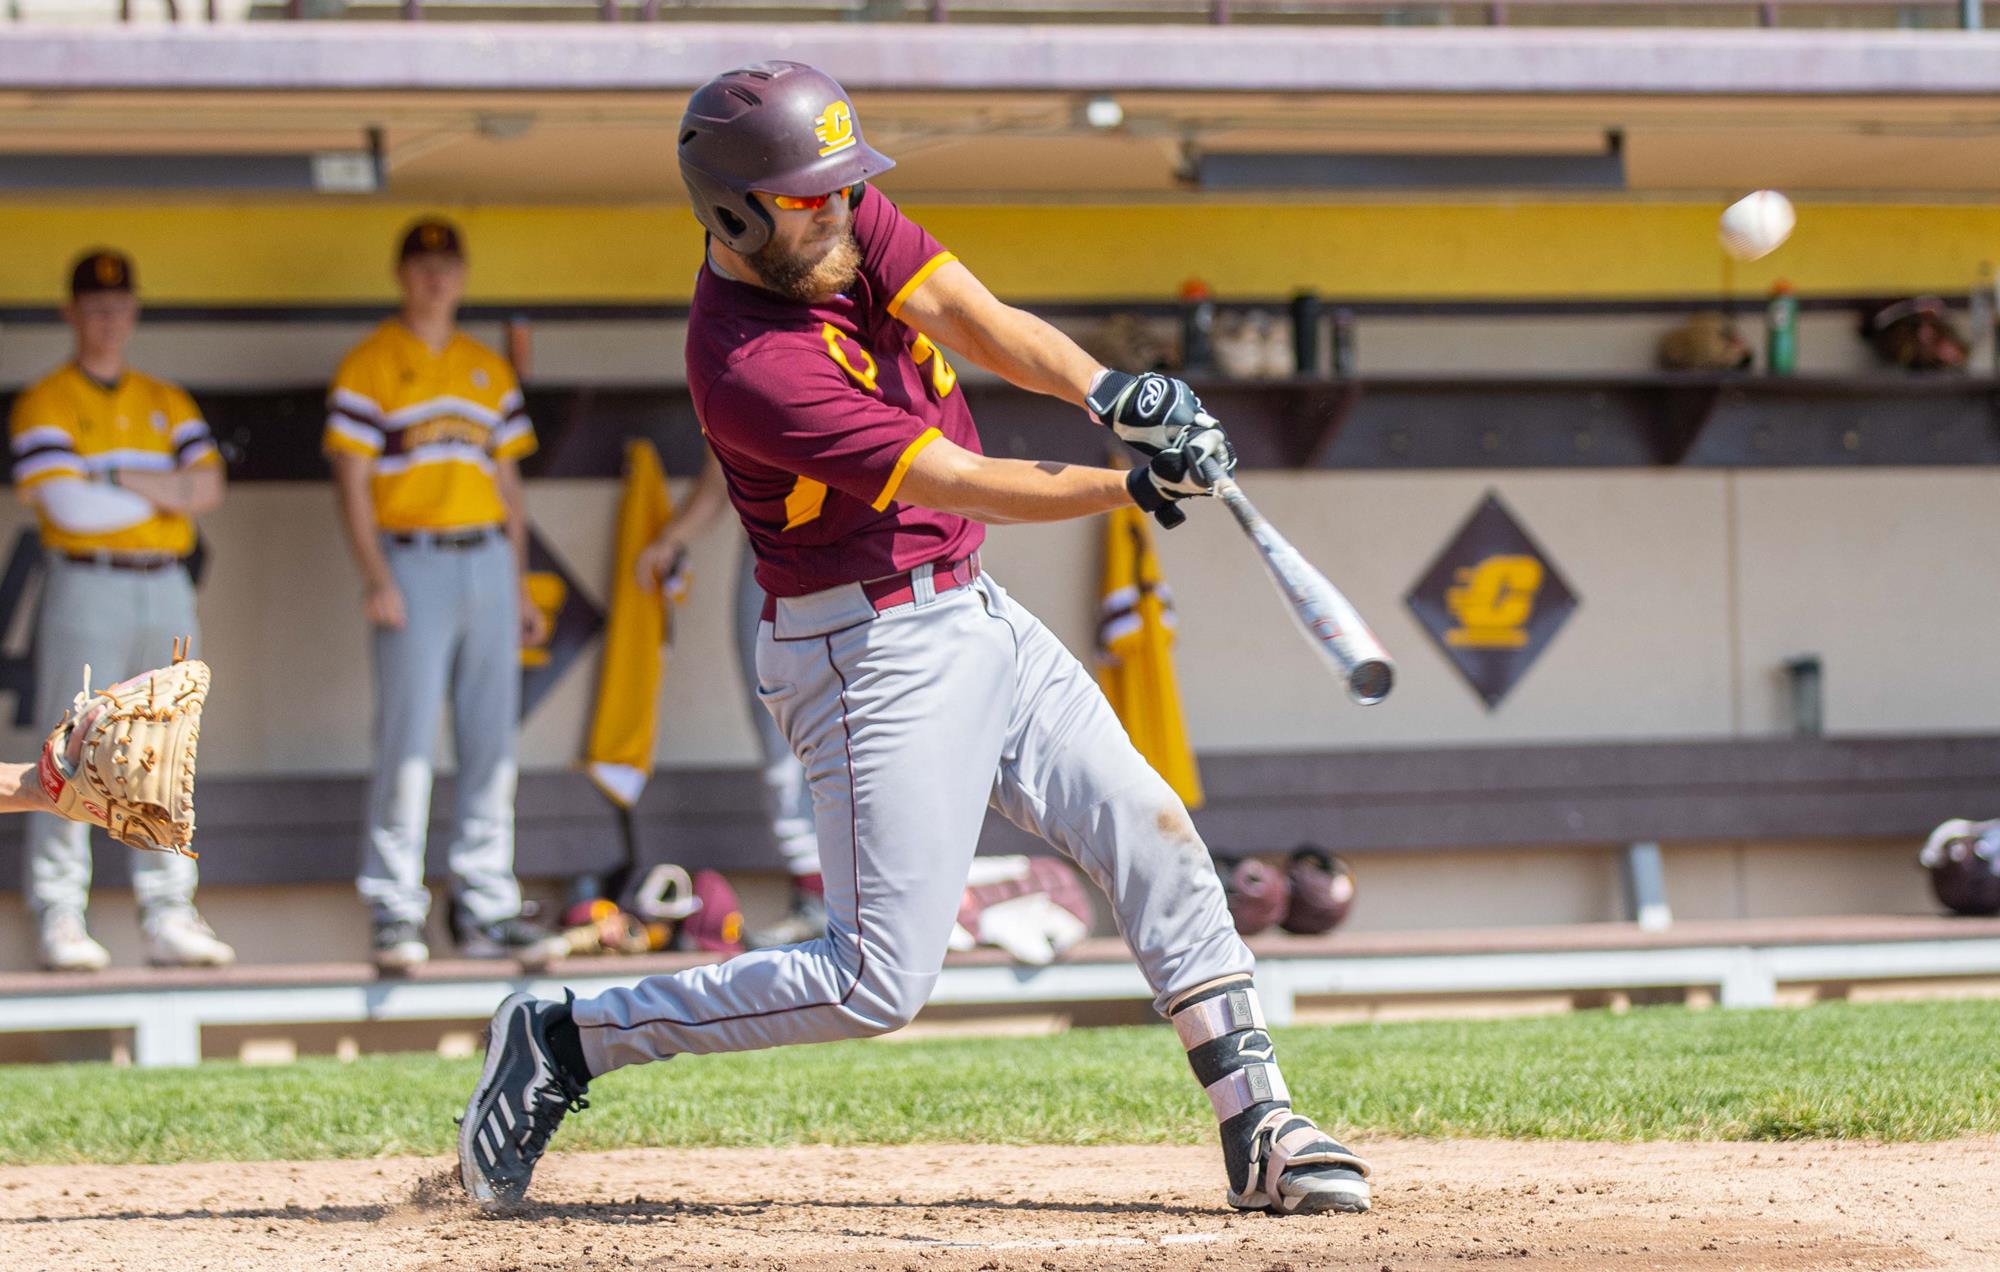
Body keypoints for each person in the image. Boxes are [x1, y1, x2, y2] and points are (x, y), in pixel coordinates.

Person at [458, 62, 1370, 1218]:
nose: (840, 207)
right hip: (865, 655)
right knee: (874, 982)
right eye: (810, 195)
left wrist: (1113, 391)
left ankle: (1260, 1125)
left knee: (1151, 830)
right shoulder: (748, 367)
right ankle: (566, 1035)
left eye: (844, 186)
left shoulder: (832, 220)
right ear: (736, 212)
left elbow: (974, 319)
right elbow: (963, 478)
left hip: (971, 606)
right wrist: (1127, 489)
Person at [325, 219, 555, 971]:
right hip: (413, 557)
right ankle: (396, 907)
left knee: (493, 739)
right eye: (422, 265)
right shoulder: (371, 364)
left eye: (446, 265)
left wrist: (520, 580)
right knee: (409, 739)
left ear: (461, 274)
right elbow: (351, 484)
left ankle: (486, 903)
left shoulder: (484, 368)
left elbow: (509, 485)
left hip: (487, 556)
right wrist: (375, 574)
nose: (435, 278)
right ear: (402, 274)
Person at [7, 250, 234, 972]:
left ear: (133, 312)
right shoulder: (47, 399)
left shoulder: (166, 399)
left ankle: (168, 910)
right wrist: (159, 490)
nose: (107, 320)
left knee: (166, 747)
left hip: (166, 580)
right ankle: (61, 913)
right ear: (71, 313)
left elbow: (207, 489)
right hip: (86, 578)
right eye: (93, 307)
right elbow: (68, 503)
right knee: (69, 743)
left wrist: (112, 472)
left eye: (118, 306)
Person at [635, 453, 827, 949]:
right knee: (779, 726)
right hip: (775, 549)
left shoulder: (873, 373)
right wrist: (671, 538)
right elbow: (717, 475)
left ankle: (871, 900)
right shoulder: (746, 375)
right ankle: (814, 897)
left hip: (863, 555)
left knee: (865, 731)